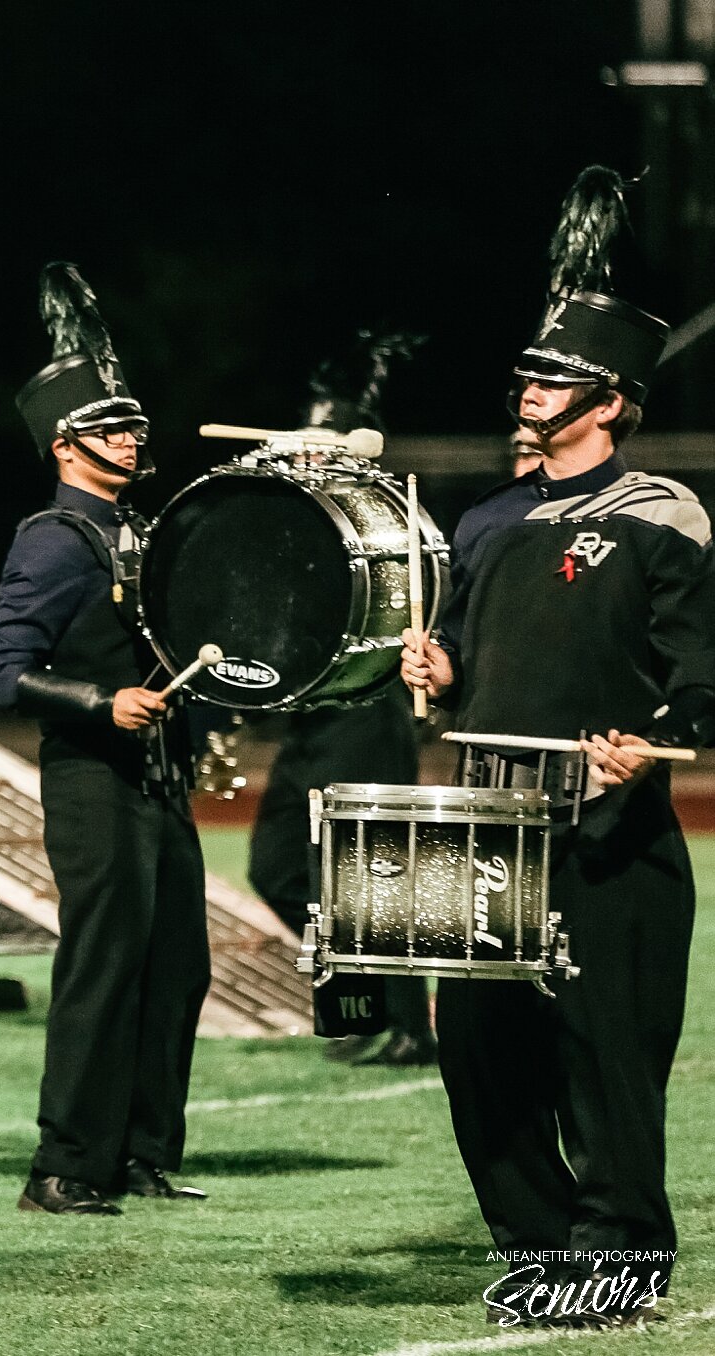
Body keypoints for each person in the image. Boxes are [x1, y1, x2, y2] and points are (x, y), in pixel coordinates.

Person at [402, 167, 715, 1326]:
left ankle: (620, 1257)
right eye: (528, 373)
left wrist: (659, 741)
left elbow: (699, 674)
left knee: (603, 1060)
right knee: (478, 1057)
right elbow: (463, 658)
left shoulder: (661, 514)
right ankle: (538, 1249)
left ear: (608, 400)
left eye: (551, 375)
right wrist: (435, 672)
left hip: (603, 827)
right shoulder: (483, 521)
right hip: (482, 822)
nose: (527, 387)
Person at [0, 263, 210, 1217]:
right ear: (65, 445)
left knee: (177, 968)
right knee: (103, 968)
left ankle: (141, 1152)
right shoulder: (54, 537)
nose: (131, 438)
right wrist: (97, 700)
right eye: (111, 428)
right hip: (92, 779)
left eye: (133, 425)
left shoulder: (138, 529)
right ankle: (64, 1165)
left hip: (157, 779)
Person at [246, 333, 436, 1066]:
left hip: (367, 715)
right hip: (312, 720)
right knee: (277, 869)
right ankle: (366, 998)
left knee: (372, 874)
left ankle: (409, 1026)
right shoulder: (295, 517)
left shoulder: (378, 519)